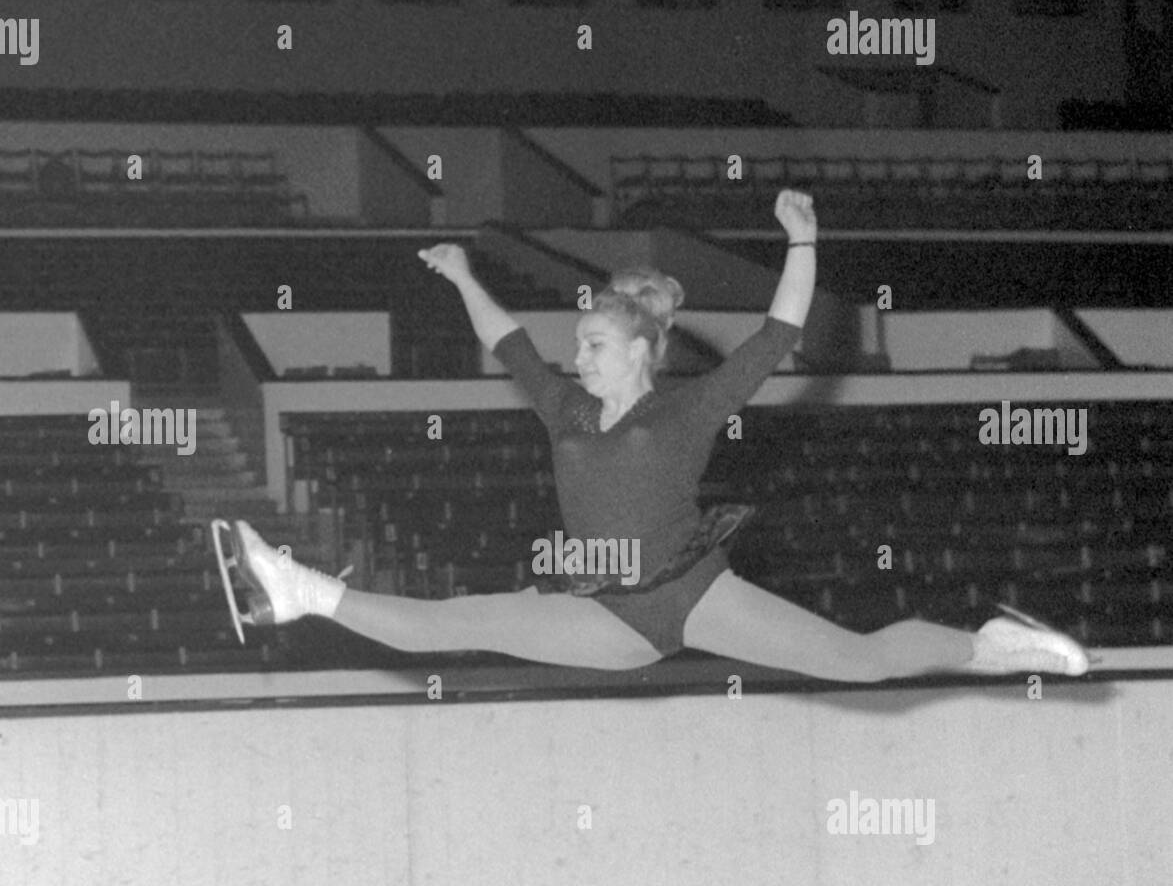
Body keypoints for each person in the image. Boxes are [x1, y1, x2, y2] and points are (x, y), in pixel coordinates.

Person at [212, 189, 1088, 680]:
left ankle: (988, 647)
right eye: (577, 346)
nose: (576, 357)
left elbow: (779, 338)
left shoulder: (687, 409)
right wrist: (464, 275)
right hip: (606, 615)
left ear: (639, 350)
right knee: (454, 622)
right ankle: (300, 590)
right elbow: (507, 342)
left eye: (592, 344)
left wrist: (803, 246)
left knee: (856, 665)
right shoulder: (565, 411)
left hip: (694, 591)